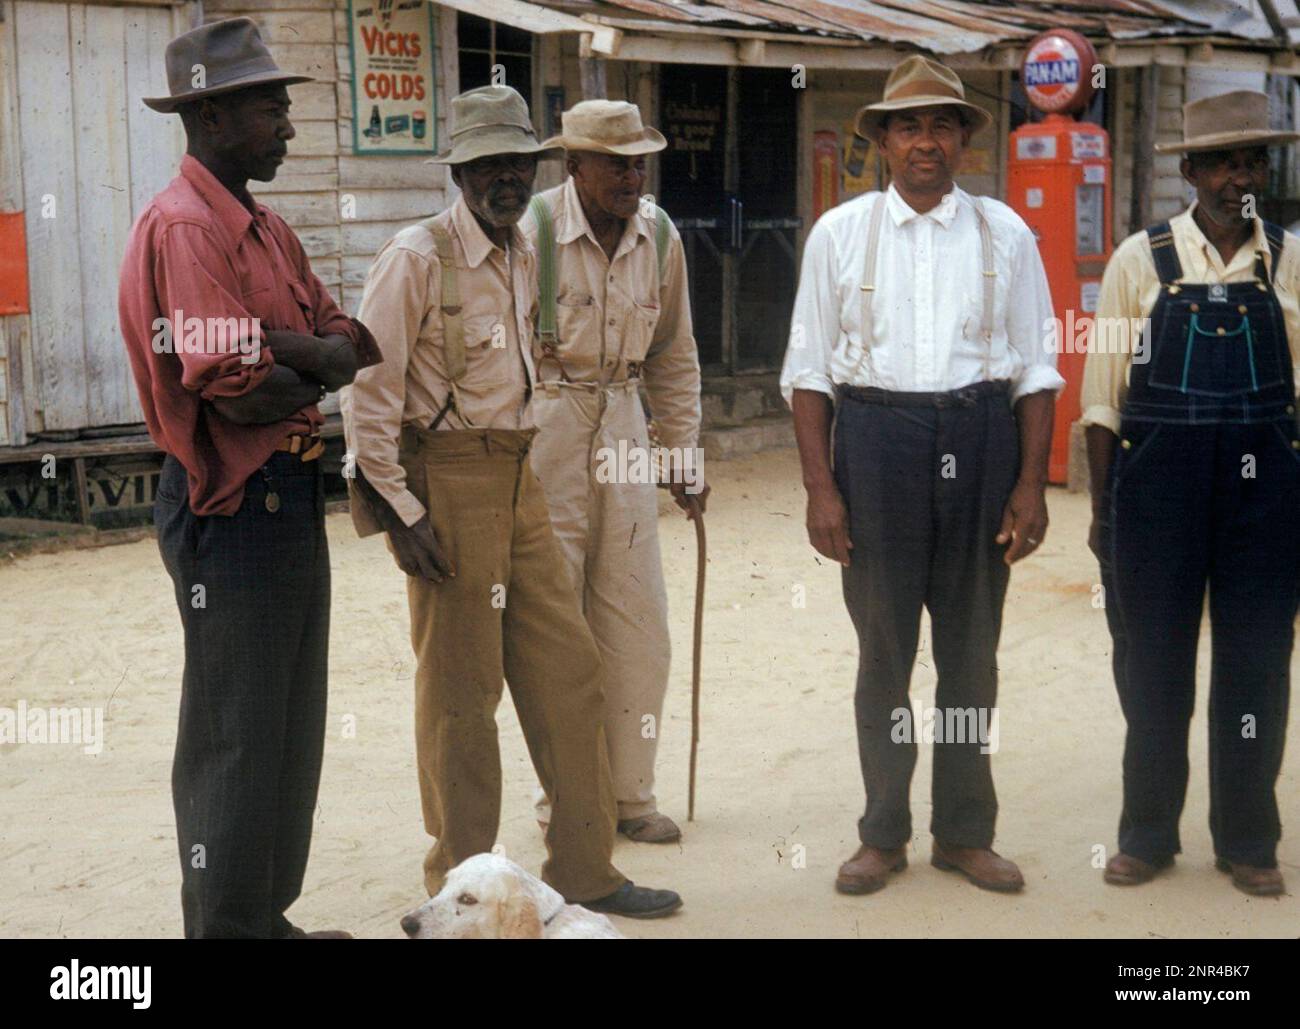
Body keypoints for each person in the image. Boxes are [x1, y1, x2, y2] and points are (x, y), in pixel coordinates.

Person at [340, 85, 682, 919]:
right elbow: (368, 394)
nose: (504, 179)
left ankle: (586, 868)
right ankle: (461, 892)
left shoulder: (526, 250)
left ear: (535, 168)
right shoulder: (416, 256)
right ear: (459, 171)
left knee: (572, 673)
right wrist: (402, 513)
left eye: (515, 164)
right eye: (487, 165)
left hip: (522, 473)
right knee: (462, 697)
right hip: (448, 483)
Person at [117, 17, 382, 938]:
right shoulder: (188, 229)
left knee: (286, 725)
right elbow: (237, 390)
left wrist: (295, 349)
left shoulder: (262, 228)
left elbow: (353, 338)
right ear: (213, 115)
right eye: (271, 107)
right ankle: (227, 931)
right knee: (236, 734)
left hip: (291, 497)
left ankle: (261, 918)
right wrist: (304, 359)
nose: (288, 127)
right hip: (230, 508)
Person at [780, 55, 1063, 896]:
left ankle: (966, 832)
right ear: (883, 141)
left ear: (966, 141)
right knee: (885, 654)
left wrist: (1030, 484)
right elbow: (808, 373)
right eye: (909, 126)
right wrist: (821, 489)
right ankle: (884, 831)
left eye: (943, 124)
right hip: (876, 445)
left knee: (972, 654)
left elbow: (1037, 371)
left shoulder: (1005, 233)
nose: (927, 141)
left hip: (980, 443)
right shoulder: (840, 233)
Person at [1082, 90, 1300, 897]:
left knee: (1256, 662)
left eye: (1254, 160)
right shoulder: (1138, 260)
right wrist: (1106, 516)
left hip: (1266, 489)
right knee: (1153, 665)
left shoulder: (1289, 258)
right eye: (1224, 161)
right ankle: (1146, 833)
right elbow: (1101, 397)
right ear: (1191, 170)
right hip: (1157, 488)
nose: (1240, 176)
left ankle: (1247, 838)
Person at [520, 100, 706, 845]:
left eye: (639, 161)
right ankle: (567, 799)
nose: (631, 176)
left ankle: (631, 795)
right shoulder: (529, 229)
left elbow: (674, 352)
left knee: (636, 617)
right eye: (614, 162)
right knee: (553, 620)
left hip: (625, 416)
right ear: (575, 165)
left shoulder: (659, 234)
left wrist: (683, 453)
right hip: (549, 423)